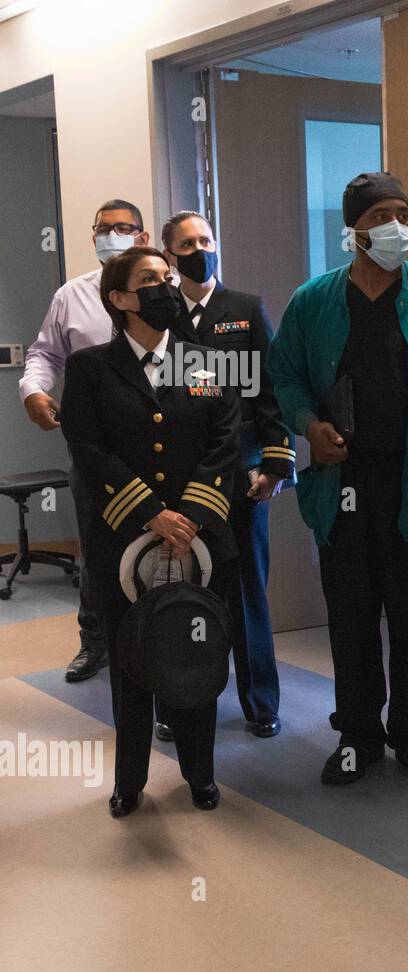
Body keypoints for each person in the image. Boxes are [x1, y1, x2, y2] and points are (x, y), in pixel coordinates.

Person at [267, 172, 408, 790]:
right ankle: (358, 736)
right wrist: (309, 428)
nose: (396, 226)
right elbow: (284, 378)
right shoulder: (314, 300)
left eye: (402, 212)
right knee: (352, 617)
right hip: (343, 483)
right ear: (354, 229)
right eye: (381, 215)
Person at [60, 247, 240, 817]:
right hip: (124, 539)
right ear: (120, 299)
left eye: (168, 276)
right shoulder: (91, 368)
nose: (166, 285)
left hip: (200, 539)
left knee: (197, 652)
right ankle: (130, 778)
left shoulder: (208, 360)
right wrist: (151, 516)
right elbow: (88, 447)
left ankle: (200, 773)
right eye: (150, 280)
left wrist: (188, 518)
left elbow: (225, 442)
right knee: (132, 656)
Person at [161, 210, 294, 741]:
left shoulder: (244, 308)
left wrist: (276, 461)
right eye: (188, 243)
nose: (200, 249)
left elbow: (272, 389)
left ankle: (260, 702)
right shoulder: (160, 314)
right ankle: (178, 701)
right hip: (178, 481)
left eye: (207, 239)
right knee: (180, 590)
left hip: (241, 474)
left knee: (245, 592)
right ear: (171, 255)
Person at [20, 200, 149, 683]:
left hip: (158, 443)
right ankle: (94, 642)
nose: (111, 236)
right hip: (93, 445)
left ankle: (162, 645)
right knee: (97, 545)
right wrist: (33, 390)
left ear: (141, 235)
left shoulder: (165, 289)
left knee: (158, 547)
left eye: (123, 228)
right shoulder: (71, 295)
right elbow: (44, 353)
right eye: (103, 228)